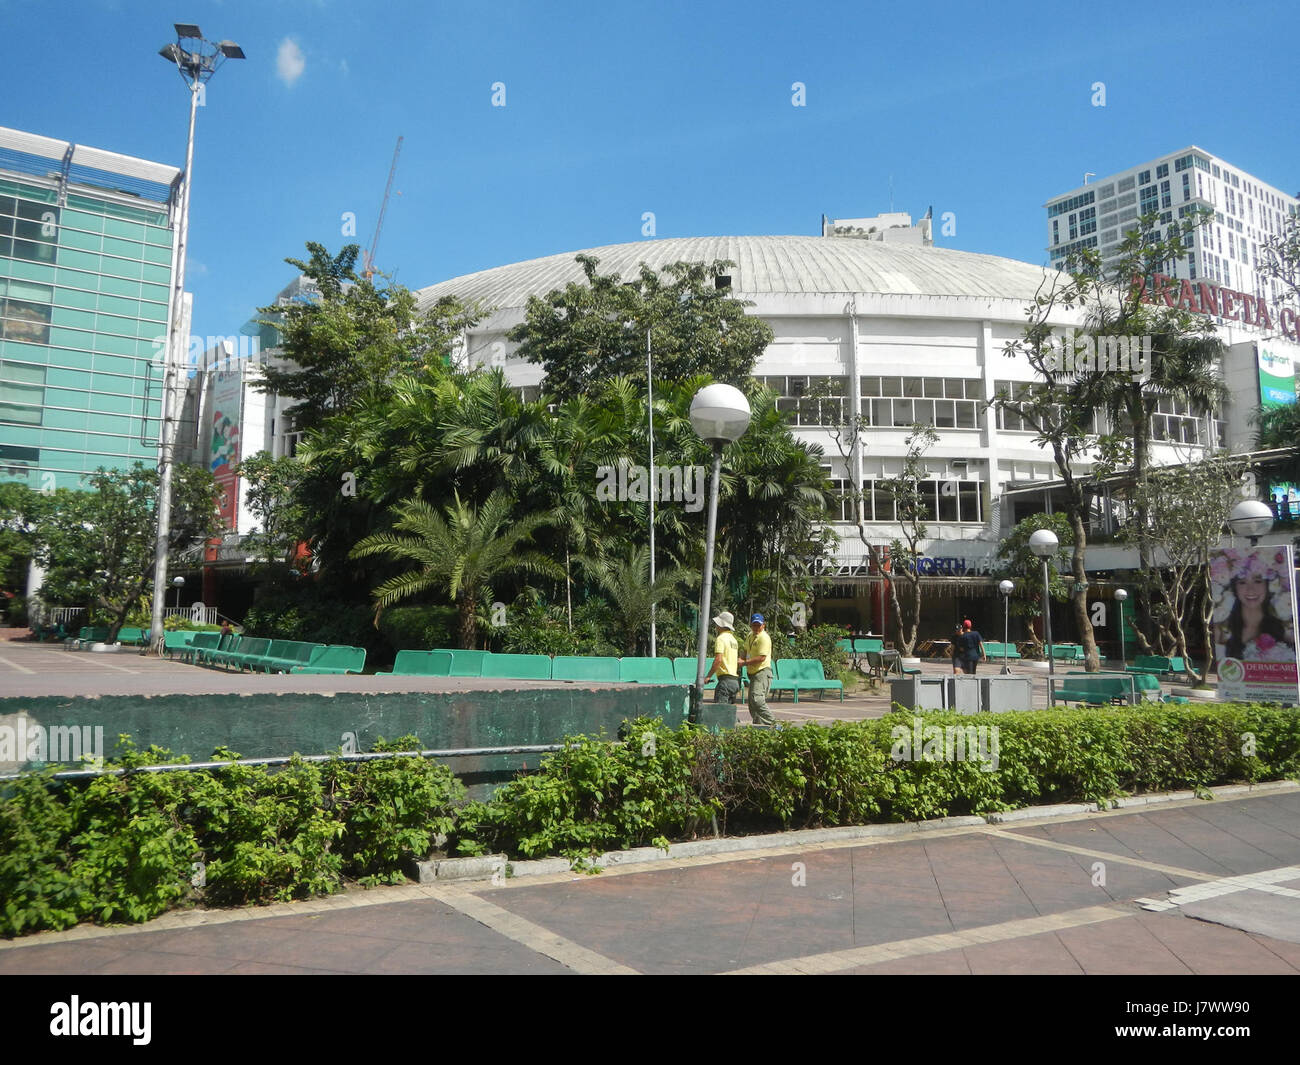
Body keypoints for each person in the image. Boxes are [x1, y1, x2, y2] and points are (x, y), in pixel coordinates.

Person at [1215, 572, 1295, 663]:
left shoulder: (1286, 628)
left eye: (1257, 581)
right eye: (1242, 582)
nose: (1250, 590)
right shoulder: (1222, 630)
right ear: (1234, 587)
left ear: (1267, 585)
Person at [739, 613, 775, 726]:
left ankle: (773, 723)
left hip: (762, 672)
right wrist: (740, 659)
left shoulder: (764, 638)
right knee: (752, 704)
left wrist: (744, 663)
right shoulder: (750, 636)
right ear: (750, 625)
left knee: (757, 700)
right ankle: (759, 726)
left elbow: (761, 658)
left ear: (763, 625)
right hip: (753, 674)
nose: (756, 628)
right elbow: (745, 650)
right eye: (754, 625)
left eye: (758, 625)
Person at [703, 611, 741, 705]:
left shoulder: (721, 639)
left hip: (725, 682)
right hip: (734, 682)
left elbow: (718, 660)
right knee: (729, 712)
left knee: (720, 712)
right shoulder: (733, 640)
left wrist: (708, 676)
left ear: (722, 625)